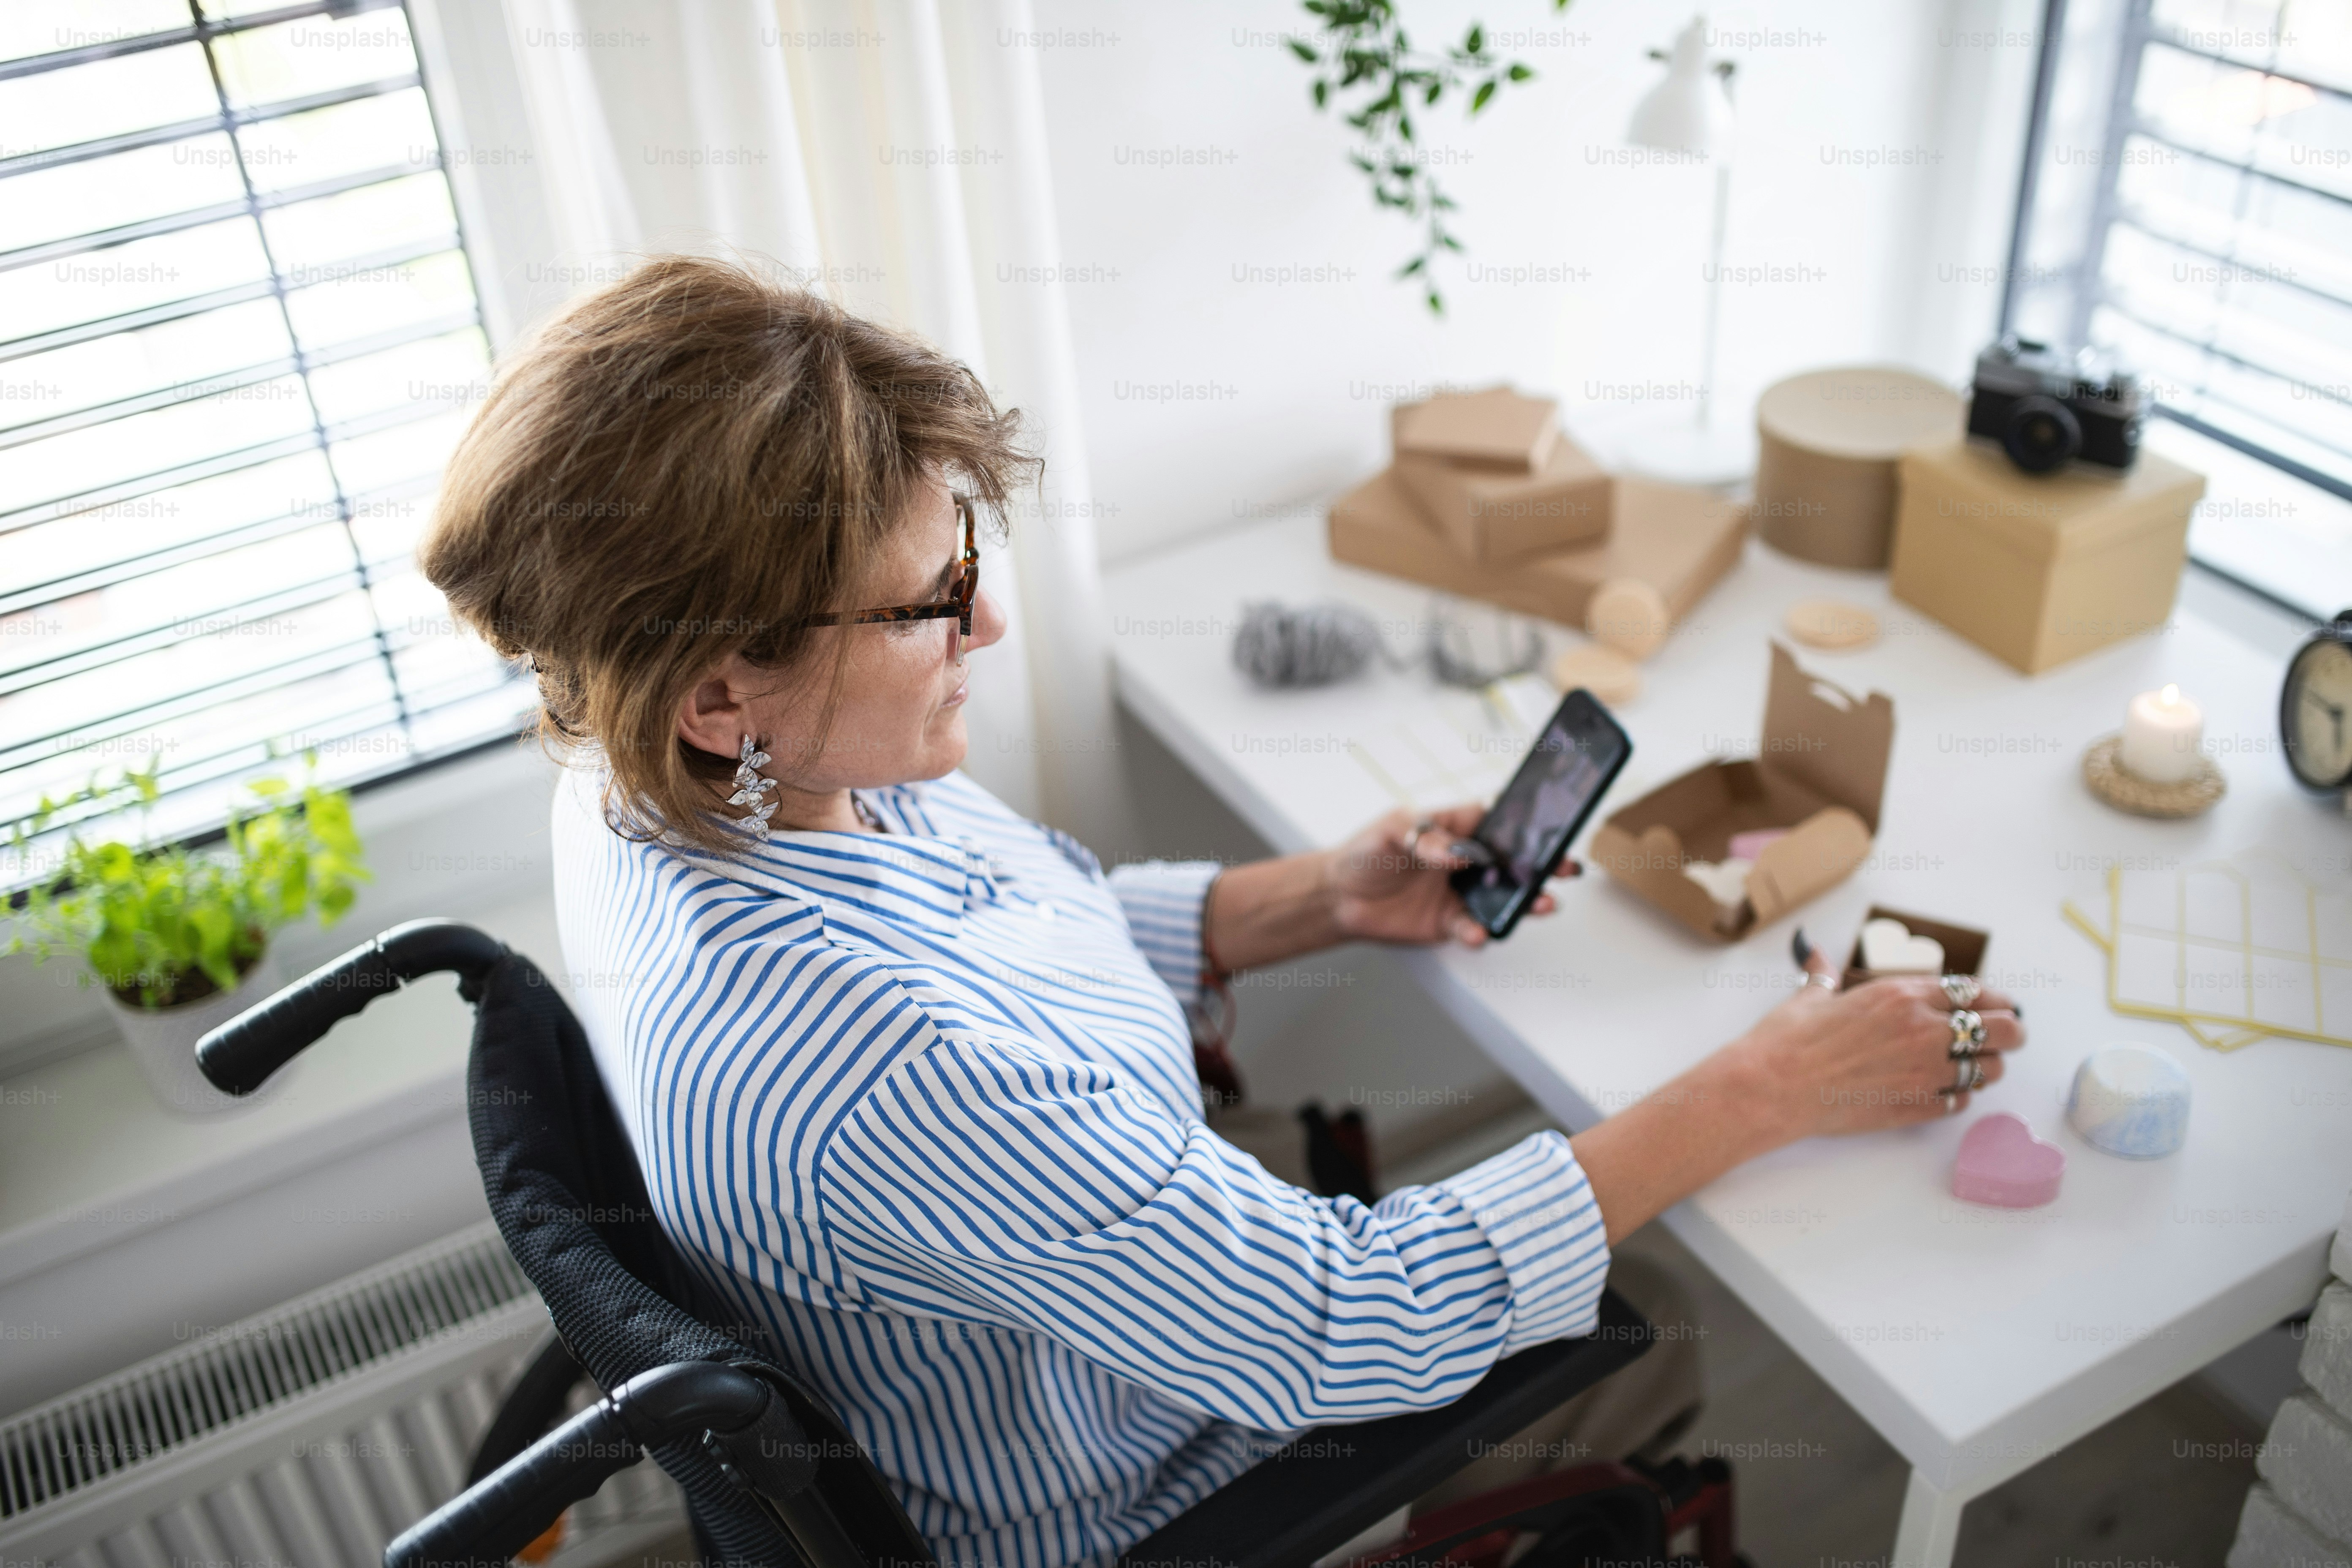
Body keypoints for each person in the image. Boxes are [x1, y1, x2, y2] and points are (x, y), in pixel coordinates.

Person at [420, 256, 2025, 1568]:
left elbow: (1024, 918)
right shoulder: (883, 1062)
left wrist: (1319, 895)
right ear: (721, 690)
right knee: (1658, 1319)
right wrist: (1770, 1085)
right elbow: (1342, 1320)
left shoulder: (673, 780)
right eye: (926, 603)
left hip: (1084, 1325)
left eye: (962, 551)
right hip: (1135, 1501)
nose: (985, 615)